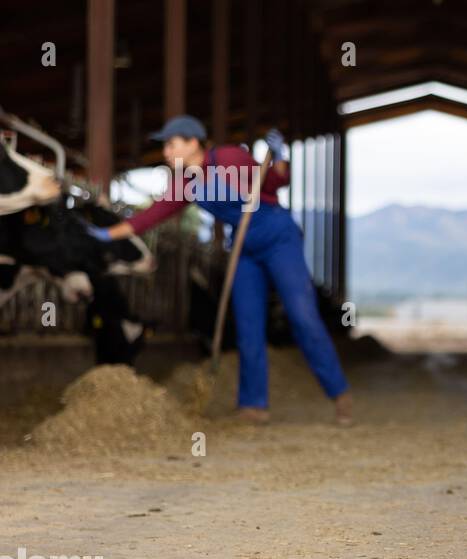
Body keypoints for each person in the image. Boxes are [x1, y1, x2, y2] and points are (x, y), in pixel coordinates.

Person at [90, 115, 353, 425]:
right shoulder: (186, 184)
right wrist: (105, 234)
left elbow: (274, 181)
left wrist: (279, 157)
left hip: (277, 236)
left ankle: (339, 394)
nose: (165, 152)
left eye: (171, 144)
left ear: (192, 142)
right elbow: (149, 217)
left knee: (302, 315)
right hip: (244, 249)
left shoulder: (229, 158)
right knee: (247, 324)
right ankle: (253, 405)